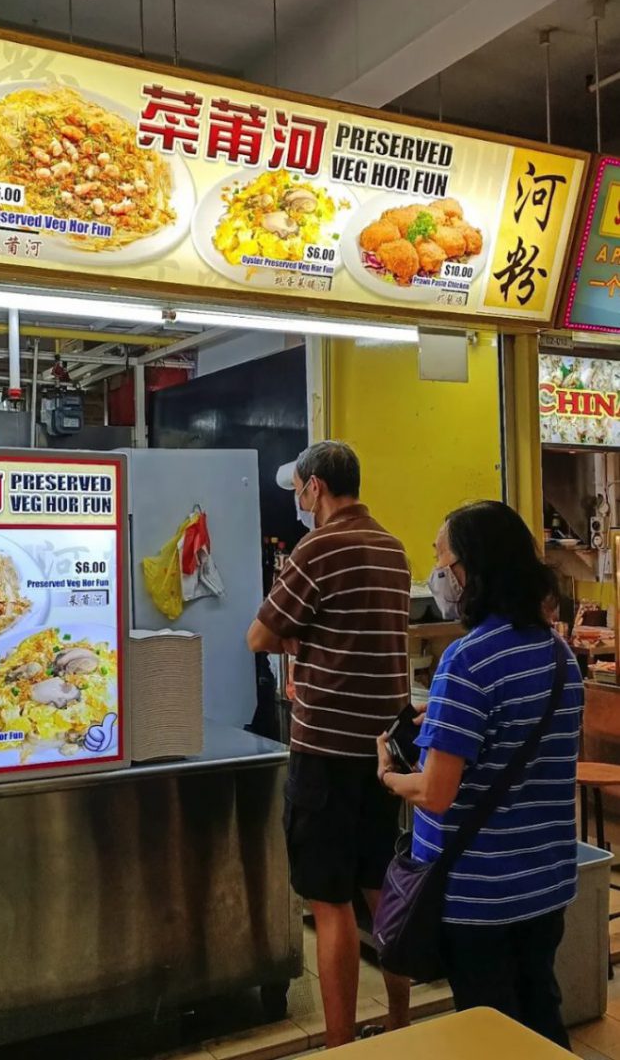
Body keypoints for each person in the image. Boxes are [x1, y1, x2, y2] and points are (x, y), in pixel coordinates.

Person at [377, 500, 583, 1048]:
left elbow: (435, 792)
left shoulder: (467, 661)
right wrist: (449, 719)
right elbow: (524, 745)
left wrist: (389, 775)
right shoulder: (560, 656)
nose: (439, 576)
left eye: (444, 562)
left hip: (479, 895)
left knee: (490, 1033)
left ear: (475, 569)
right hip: (546, 883)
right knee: (539, 1015)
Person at [248, 442, 412, 1048]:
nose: (297, 499)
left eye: (298, 489)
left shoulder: (316, 549)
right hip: (384, 753)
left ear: (315, 487)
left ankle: (341, 1044)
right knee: (381, 886)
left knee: (330, 901)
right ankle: (399, 1023)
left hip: (325, 754)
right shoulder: (393, 547)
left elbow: (259, 635)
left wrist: (297, 642)